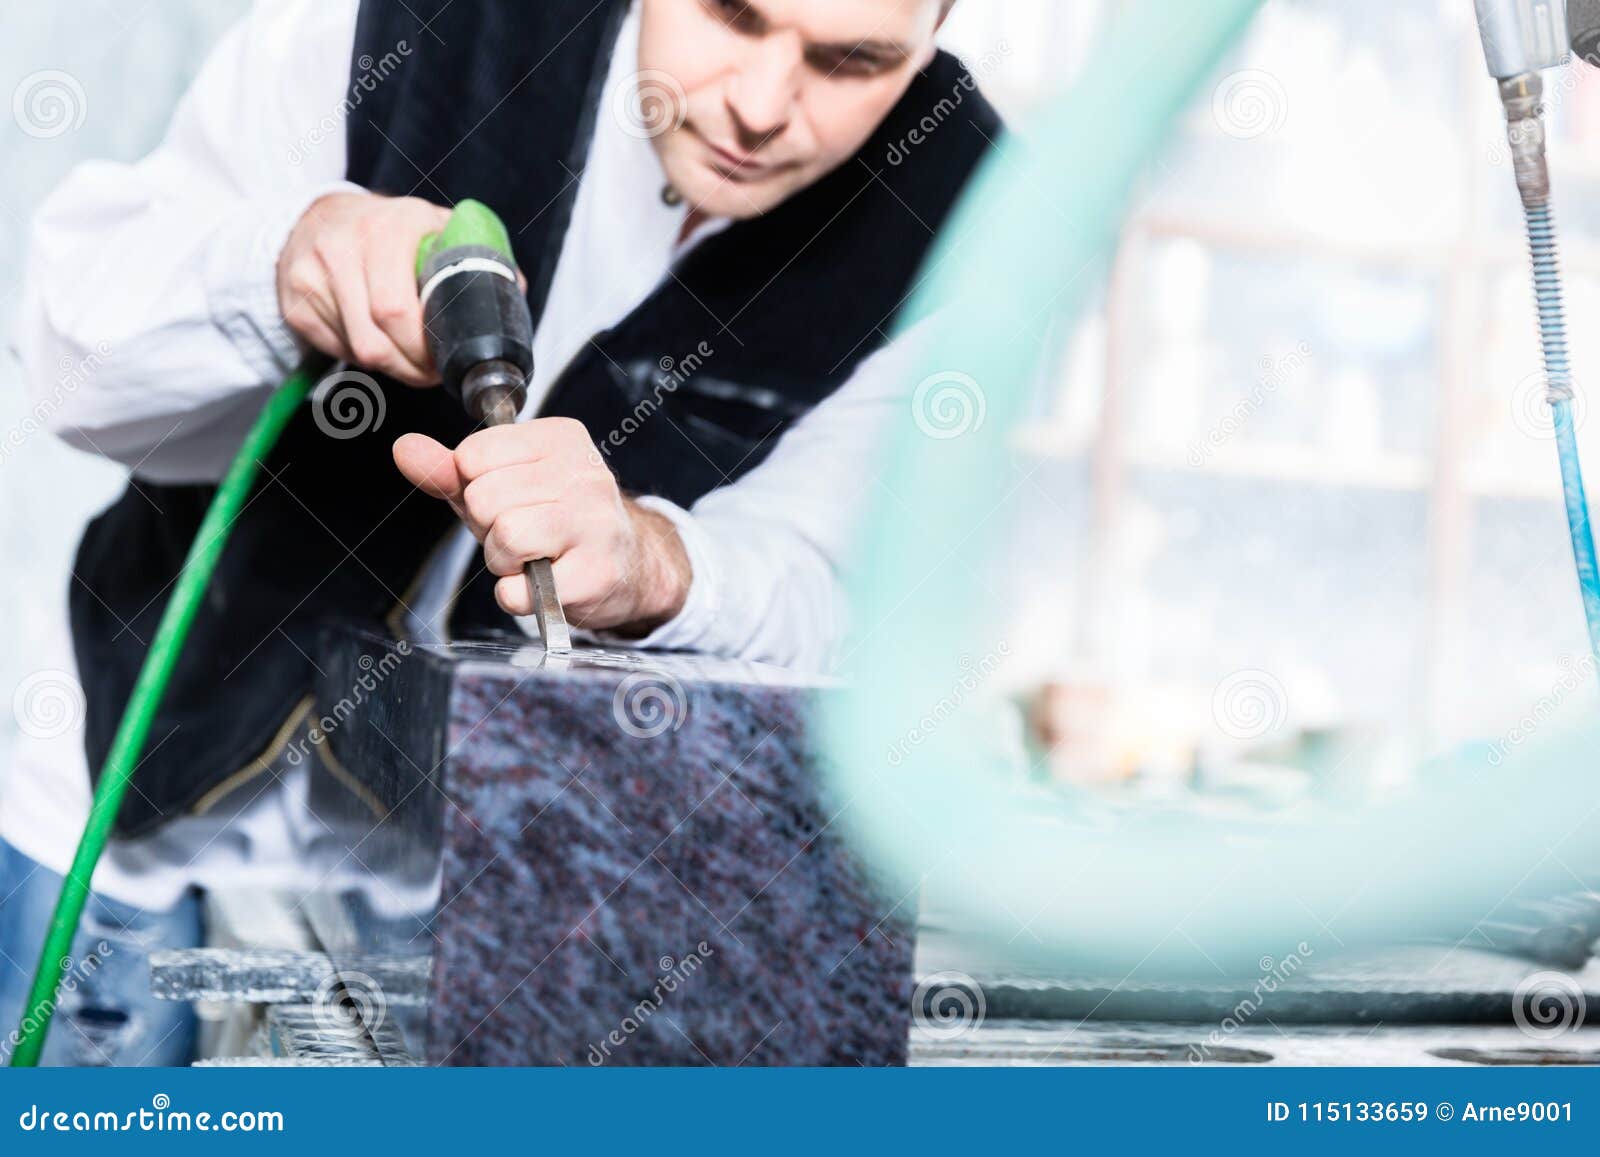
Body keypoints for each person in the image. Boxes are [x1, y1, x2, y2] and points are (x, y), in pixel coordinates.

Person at [1, 0, 998, 1064]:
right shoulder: (395, 23)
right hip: (121, 818)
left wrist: (658, 562)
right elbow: (65, 362)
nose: (760, 107)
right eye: (732, 14)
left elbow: (846, 594)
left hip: (466, 899)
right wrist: (277, 265)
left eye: (852, 61)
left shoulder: (971, 218)